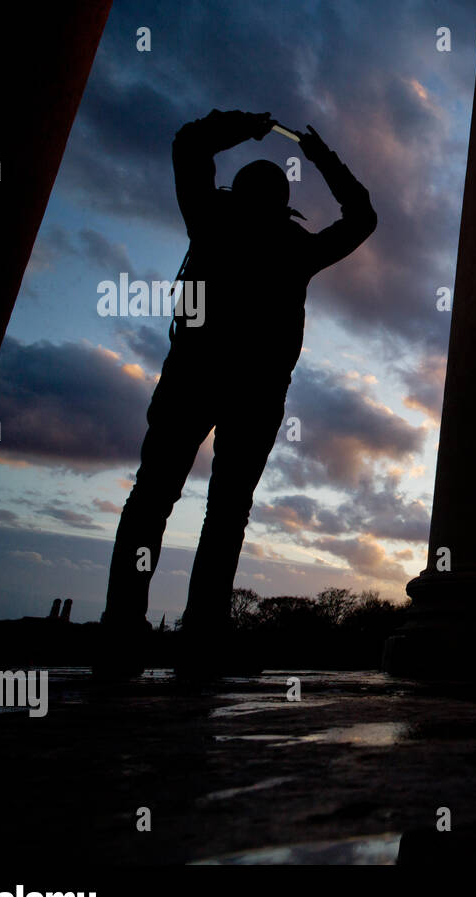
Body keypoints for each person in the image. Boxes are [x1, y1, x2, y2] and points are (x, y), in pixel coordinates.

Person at [98, 109, 377, 680]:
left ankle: (125, 632)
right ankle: (199, 639)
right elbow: (362, 216)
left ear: (237, 190)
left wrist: (243, 124)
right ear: (281, 203)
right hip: (253, 391)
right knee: (223, 513)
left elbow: (189, 141)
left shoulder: (209, 219)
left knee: (153, 498)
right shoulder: (293, 247)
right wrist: (320, 156)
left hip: (194, 377)